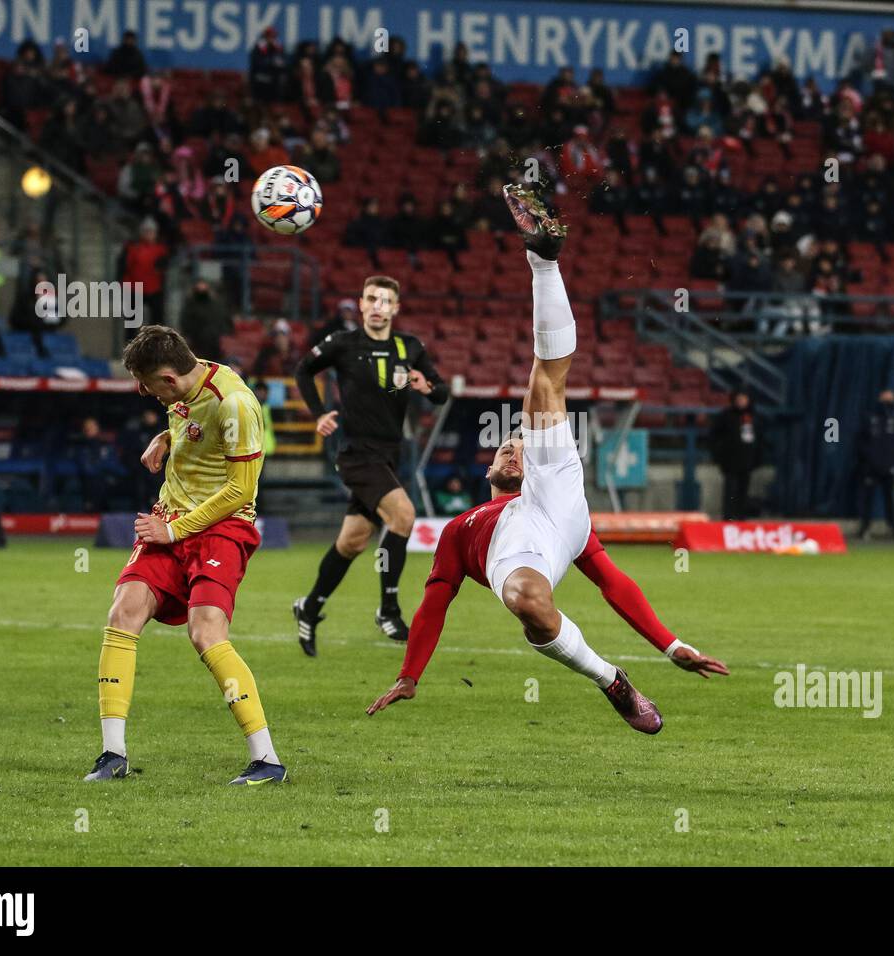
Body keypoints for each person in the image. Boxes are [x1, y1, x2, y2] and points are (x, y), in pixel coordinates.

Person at [365, 184, 728, 730]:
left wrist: (671, 644)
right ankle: (611, 679)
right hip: (521, 558)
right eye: (504, 448)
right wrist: (410, 674)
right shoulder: (463, 530)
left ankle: (542, 259)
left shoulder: (537, 472)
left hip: (555, 498)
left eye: (516, 445)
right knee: (526, 600)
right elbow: (435, 603)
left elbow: (614, 583)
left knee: (544, 382)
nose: (511, 448)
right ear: (486, 470)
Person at [85, 325, 285, 785]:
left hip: (220, 528)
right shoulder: (185, 388)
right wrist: (167, 438)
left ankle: (267, 760)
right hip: (170, 517)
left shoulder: (234, 403)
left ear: (170, 379)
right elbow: (191, 422)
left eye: (147, 383)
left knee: (205, 631)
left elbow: (241, 490)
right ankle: (112, 755)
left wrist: (173, 530)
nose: (141, 391)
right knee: (123, 613)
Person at [291, 276, 448, 649]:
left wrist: (428, 388)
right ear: (361, 305)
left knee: (352, 541)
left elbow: (441, 390)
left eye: (386, 300)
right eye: (372, 299)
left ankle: (309, 607)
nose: (378, 306)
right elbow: (303, 370)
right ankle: (388, 610)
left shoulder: (409, 346)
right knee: (403, 516)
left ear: (396, 308)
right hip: (357, 454)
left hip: (389, 456)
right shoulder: (343, 344)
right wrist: (318, 413)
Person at [856, 389, 894, 540]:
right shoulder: (870, 418)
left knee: (890, 499)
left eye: (890, 398)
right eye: (885, 398)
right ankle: (864, 528)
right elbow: (860, 441)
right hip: (871, 468)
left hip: (889, 469)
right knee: (868, 499)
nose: (888, 401)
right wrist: (868, 459)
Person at [709, 391, 759, 520]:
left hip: (747, 460)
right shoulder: (726, 415)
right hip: (730, 460)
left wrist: (756, 458)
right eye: (739, 398)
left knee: (743, 489)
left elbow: (759, 438)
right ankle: (728, 517)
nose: (741, 401)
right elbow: (714, 436)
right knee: (730, 490)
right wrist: (718, 456)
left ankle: (741, 517)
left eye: (744, 398)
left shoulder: (753, 416)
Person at [179, 279, 233, 361]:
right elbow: (186, 324)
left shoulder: (217, 305)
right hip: (198, 342)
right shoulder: (191, 306)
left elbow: (225, 323)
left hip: (215, 343)